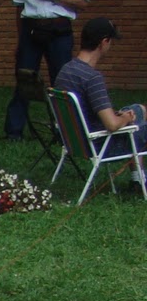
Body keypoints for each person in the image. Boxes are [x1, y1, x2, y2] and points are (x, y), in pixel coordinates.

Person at [4, 0, 90, 140]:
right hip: (31, 29)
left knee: (61, 83)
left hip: (59, 30)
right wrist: (19, 37)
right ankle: (14, 131)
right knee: (24, 79)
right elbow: (19, 3)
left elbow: (82, 2)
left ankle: (63, 132)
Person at [53, 18, 146, 181]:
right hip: (98, 145)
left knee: (140, 109)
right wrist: (125, 117)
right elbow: (111, 125)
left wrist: (122, 115)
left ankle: (138, 179)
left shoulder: (67, 70)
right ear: (103, 42)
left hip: (74, 141)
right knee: (138, 122)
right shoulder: (92, 78)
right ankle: (139, 180)